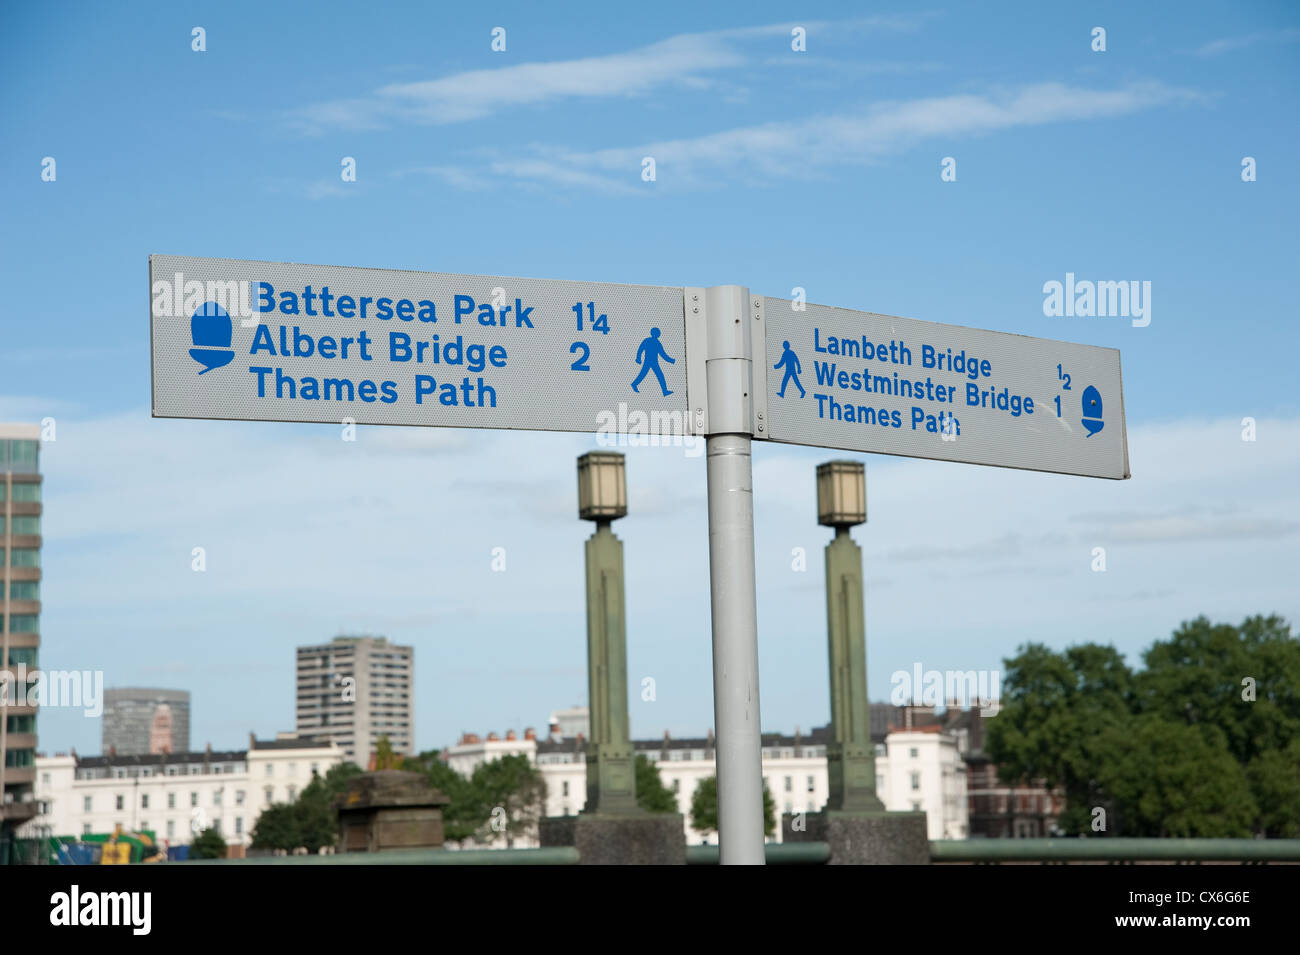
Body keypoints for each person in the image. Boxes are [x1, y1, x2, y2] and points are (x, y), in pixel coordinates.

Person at [632, 327, 675, 396]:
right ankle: (664, 391)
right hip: (649, 362)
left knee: (655, 375)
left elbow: (663, 354)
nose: (659, 334)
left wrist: (671, 360)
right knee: (652, 375)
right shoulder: (650, 341)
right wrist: (638, 358)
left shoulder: (655, 342)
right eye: (658, 332)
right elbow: (640, 349)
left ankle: (664, 391)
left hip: (653, 362)